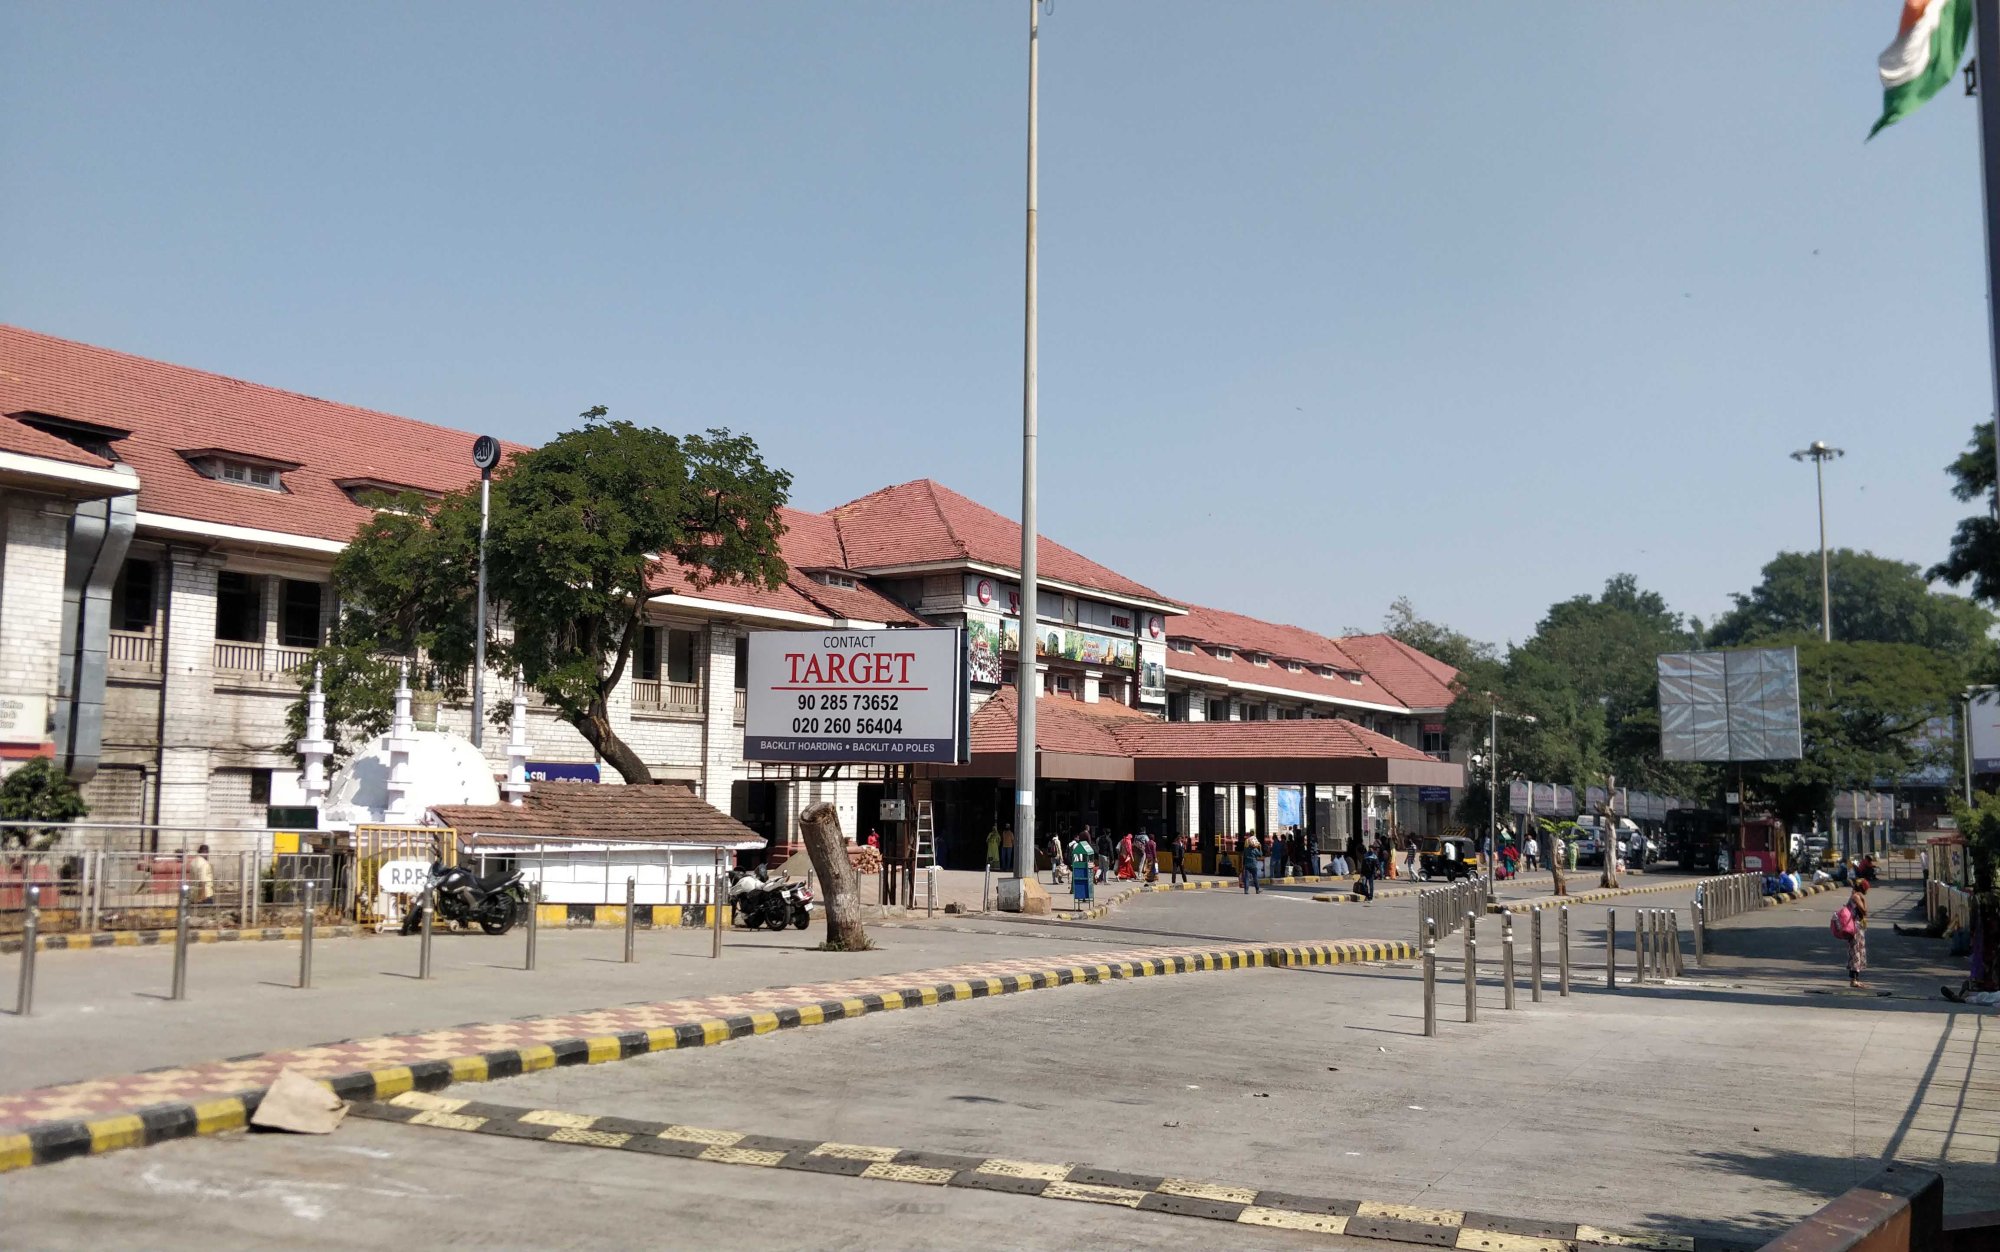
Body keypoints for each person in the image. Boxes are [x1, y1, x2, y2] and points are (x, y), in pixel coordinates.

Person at [1841, 879, 1870, 989]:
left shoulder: (1854, 896)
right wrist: (1863, 900)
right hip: (1855, 928)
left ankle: (1856, 979)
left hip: (1857, 927)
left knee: (1858, 952)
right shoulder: (1857, 897)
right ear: (1863, 888)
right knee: (1855, 953)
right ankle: (1854, 980)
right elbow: (1864, 911)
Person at [1067, 834, 1095, 905]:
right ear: (1075, 837)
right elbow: (1079, 854)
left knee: (1074, 875)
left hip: (1072, 861)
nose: (1078, 839)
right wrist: (1081, 861)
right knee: (1077, 877)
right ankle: (1074, 890)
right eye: (1078, 837)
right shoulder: (1076, 845)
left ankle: (1072, 889)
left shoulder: (1069, 844)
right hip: (1077, 861)